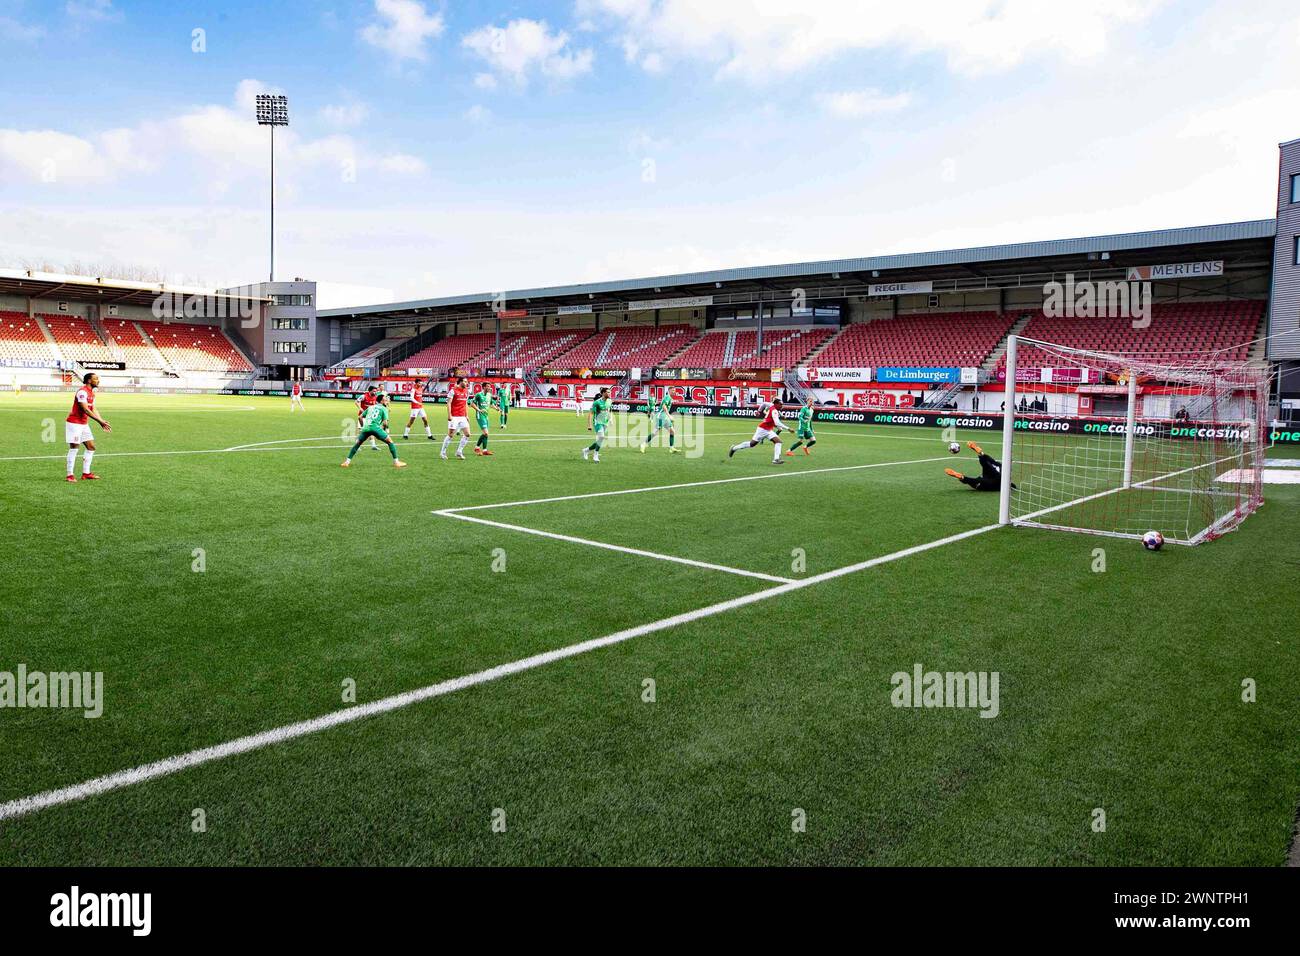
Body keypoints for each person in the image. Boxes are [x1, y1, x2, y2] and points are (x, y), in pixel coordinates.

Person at [65, 372, 111, 482]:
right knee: (74, 448)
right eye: (96, 379)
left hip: (83, 424)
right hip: (74, 423)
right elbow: (85, 409)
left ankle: (86, 473)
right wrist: (100, 421)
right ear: (89, 381)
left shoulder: (92, 393)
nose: (98, 380)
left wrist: (101, 420)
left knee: (91, 447)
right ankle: (70, 475)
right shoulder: (82, 392)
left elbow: (93, 408)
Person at [341, 394, 407, 469]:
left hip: (366, 428)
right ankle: (396, 462)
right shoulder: (384, 409)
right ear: (382, 401)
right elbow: (385, 423)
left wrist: (363, 427)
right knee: (390, 442)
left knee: (357, 444)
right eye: (385, 399)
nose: (387, 401)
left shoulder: (371, 407)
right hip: (376, 428)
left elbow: (360, 417)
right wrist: (382, 431)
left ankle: (347, 462)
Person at [728, 400, 787, 465]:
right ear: (775, 404)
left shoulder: (776, 409)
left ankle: (776, 459)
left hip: (769, 429)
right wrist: (759, 411)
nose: (782, 406)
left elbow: (776, 413)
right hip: (763, 429)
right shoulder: (771, 406)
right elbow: (764, 404)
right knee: (752, 444)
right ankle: (734, 448)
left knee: (778, 441)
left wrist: (782, 415)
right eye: (780, 404)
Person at [945, 441, 1014, 492]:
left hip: (993, 479)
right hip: (998, 483)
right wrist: (1012, 485)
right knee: (978, 481)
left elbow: (989, 460)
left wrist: (982, 454)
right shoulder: (1001, 467)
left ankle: (981, 454)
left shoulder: (999, 465)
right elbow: (1012, 485)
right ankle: (963, 478)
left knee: (985, 467)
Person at [441, 376, 472, 460]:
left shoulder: (467, 391)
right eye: (465, 381)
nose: (467, 383)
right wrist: (449, 415)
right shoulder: (453, 390)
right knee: (450, 435)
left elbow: (465, 404)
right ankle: (443, 452)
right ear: (460, 382)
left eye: (467, 382)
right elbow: (448, 403)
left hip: (462, 416)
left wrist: (467, 415)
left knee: (467, 434)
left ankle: (459, 452)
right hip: (454, 416)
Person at [583, 386, 612, 462]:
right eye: (608, 392)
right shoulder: (597, 402)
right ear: (603, 393)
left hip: (605, 423)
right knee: (601, 437)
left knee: (600, 440)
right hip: (597, 422)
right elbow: (591, 414)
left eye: (610, 392)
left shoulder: (610, 401)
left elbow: (608, 411)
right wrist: (589, 425)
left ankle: (586, 450)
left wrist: (610, 419)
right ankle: (595, 454)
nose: (610, 393)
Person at [356, 385, 381, 451]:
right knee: (361, 431)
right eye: (374, 391)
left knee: (371, 431)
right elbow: (356, 402)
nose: (375, 392)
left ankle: (373, 446)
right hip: (362, 417)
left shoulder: (375, 397)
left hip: (370, 417)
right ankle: (357, 446)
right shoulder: (364, 396)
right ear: (370, 391)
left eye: (376, 391)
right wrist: (360, 408)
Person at [471, 387, 494, 456]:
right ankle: (477, 448)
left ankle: (483, 450)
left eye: (490, 386)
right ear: (484, 387)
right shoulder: (478, 395)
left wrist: (497, 409)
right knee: (486, 433)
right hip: (480, 415)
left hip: (486, 416)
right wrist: (479, 410)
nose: (489, 388)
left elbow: (491, 404)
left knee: (486, 434)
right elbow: (472, 404)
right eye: (487, 386)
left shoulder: (489, 395)